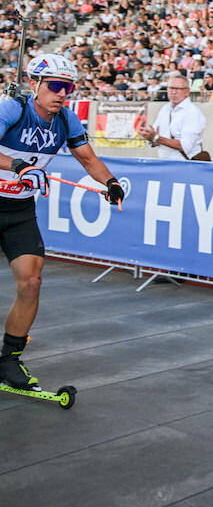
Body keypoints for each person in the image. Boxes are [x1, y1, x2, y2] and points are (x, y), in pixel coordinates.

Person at [0, 54, 124, 390]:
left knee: (32, 283)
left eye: (67, 87)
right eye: (55, 86)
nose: (61, 93)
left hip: (18, 209)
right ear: (34, 84)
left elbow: (87, 158)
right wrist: (19, 166)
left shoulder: (66, 119)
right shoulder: (13, 108)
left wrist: (110, 183)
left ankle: (9, 361)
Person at [137, 73, 207, 160]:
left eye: (178, 89)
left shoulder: (193, 113)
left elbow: (185, 146)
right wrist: (150, 137)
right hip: (165, 162)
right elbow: (157, 139)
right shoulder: (165, 109)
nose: (173, 92)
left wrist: (156, 137)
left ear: (187, 92)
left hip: (185, 165)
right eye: (171, 88)